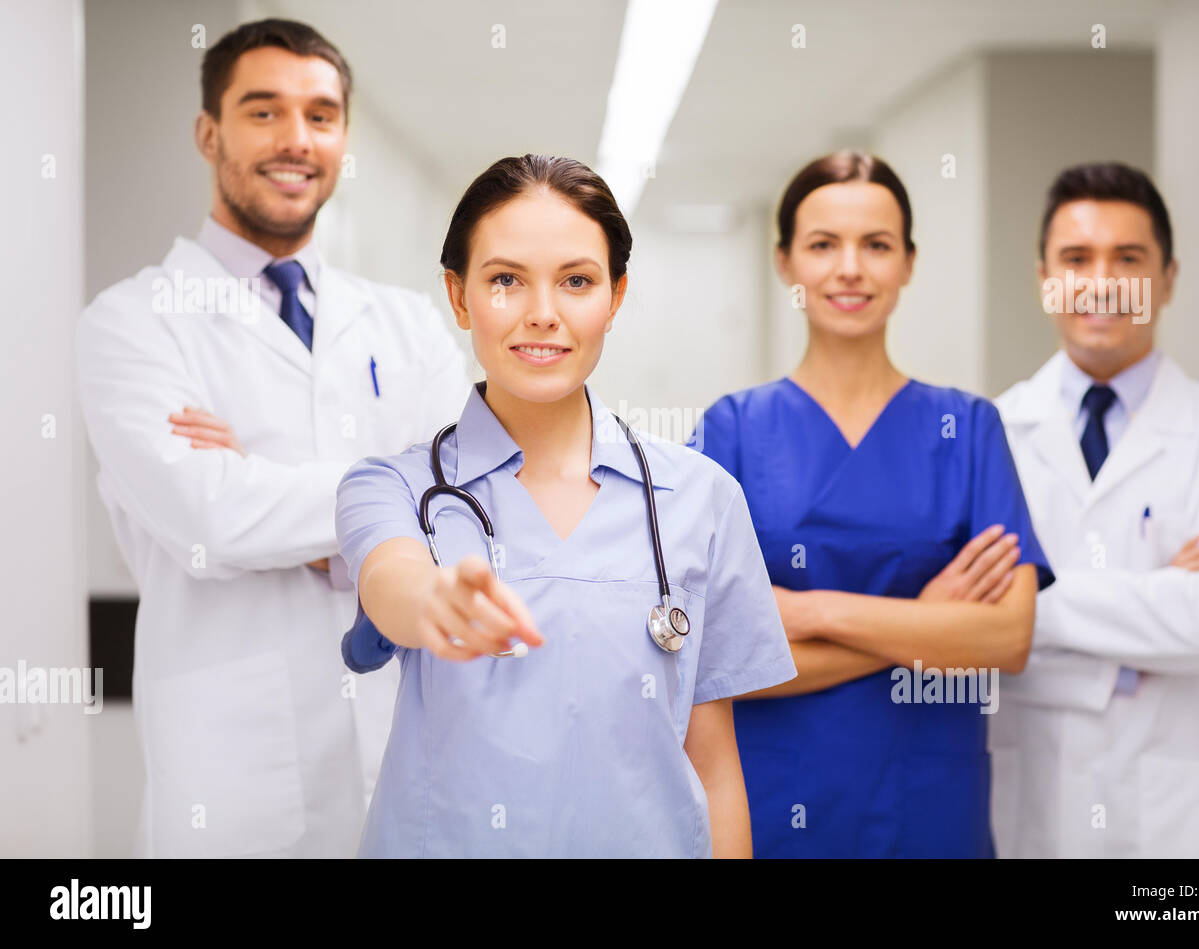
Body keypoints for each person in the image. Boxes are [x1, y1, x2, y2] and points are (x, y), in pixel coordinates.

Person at [75, 19, 469, 858]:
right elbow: (210, 520)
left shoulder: (406, 322)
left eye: (321, 116)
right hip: (233, 779)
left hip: (404, 754)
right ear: (208, 133)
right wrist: (381, 513)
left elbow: (463, 501)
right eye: (264, 112)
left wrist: (263, 482)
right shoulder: (131, 323)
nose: (296, 140)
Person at [334, 154, 797, 858]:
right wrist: (437, 597)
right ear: (458, 297)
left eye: (577, 281)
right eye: (505, 281)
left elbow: (714, 765)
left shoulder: (702, 499)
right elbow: (393, 581)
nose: (542, 314)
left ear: (615, 295)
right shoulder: (395, 488)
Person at [689, 151, 1054, 858]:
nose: (849, 267)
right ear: (785, 262)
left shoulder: (968, 428)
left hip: (930, 806)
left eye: (876, 245)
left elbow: (1007, 639)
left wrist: (802, 610)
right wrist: (927, 623)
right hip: (775, 803)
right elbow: (708, 654)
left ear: (909, 263)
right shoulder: (732, 430)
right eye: (823, 244)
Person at [989, 162, 1199, 858]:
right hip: (1029, 791)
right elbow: (965, 624)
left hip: (1171, 815)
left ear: (1168, 278)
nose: (1103, 280)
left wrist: (1026, 599)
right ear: (1044, 279)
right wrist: (1154, 600)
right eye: (1076, 258)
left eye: (1129, 258)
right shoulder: (989, 432)